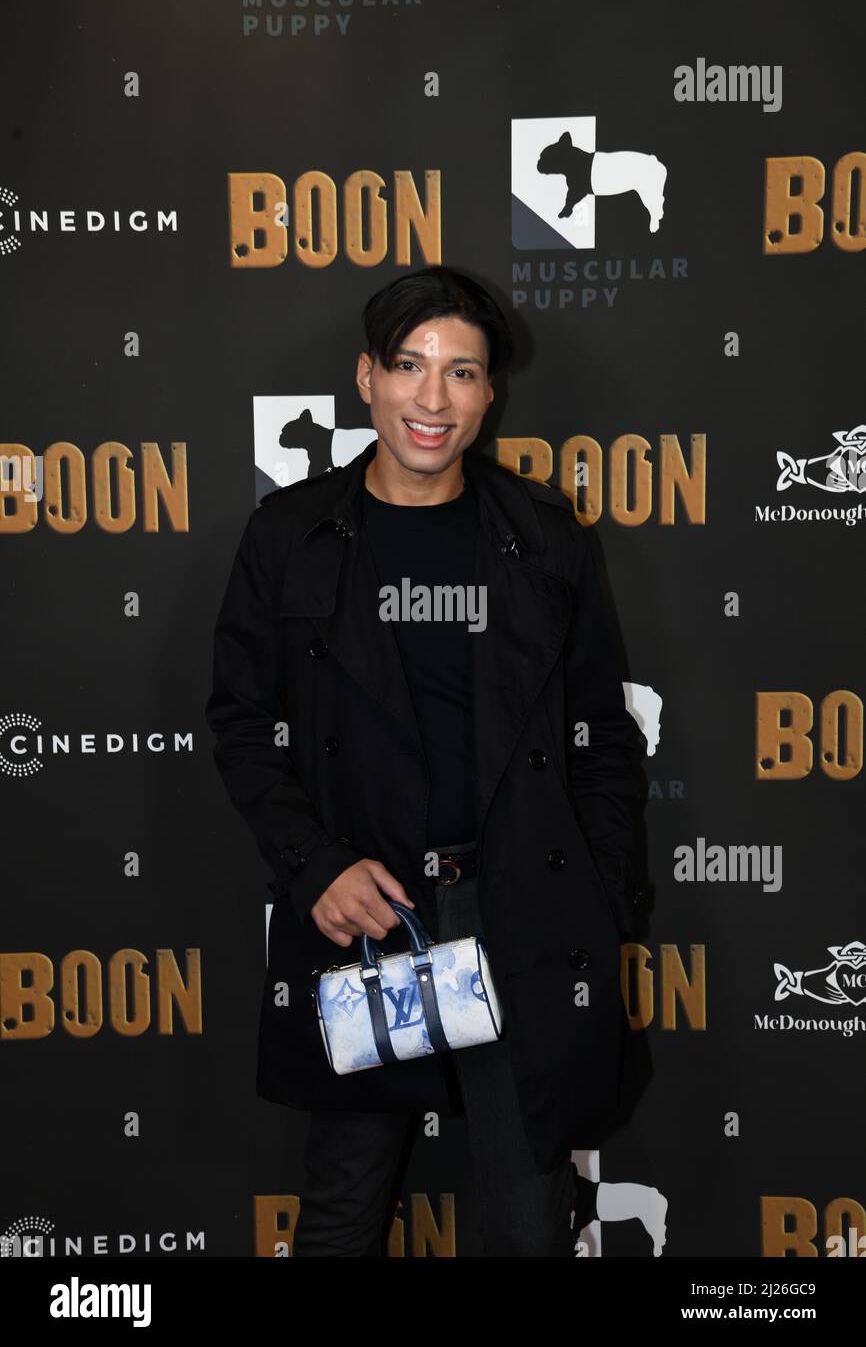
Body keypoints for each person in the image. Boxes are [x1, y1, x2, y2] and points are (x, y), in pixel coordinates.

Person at [205, 265, 647, 1256]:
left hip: (516, 917)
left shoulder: (542, 540)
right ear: (365, 377)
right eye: (409, 366)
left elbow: (601, 742)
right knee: (341, 1210)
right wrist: (312, 864)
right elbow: (239, 724)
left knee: (528, 1217)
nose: (431, 398)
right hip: (371, 912)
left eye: (461, 372)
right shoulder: (292, 537)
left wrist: (601, 899)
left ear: (490, 393)